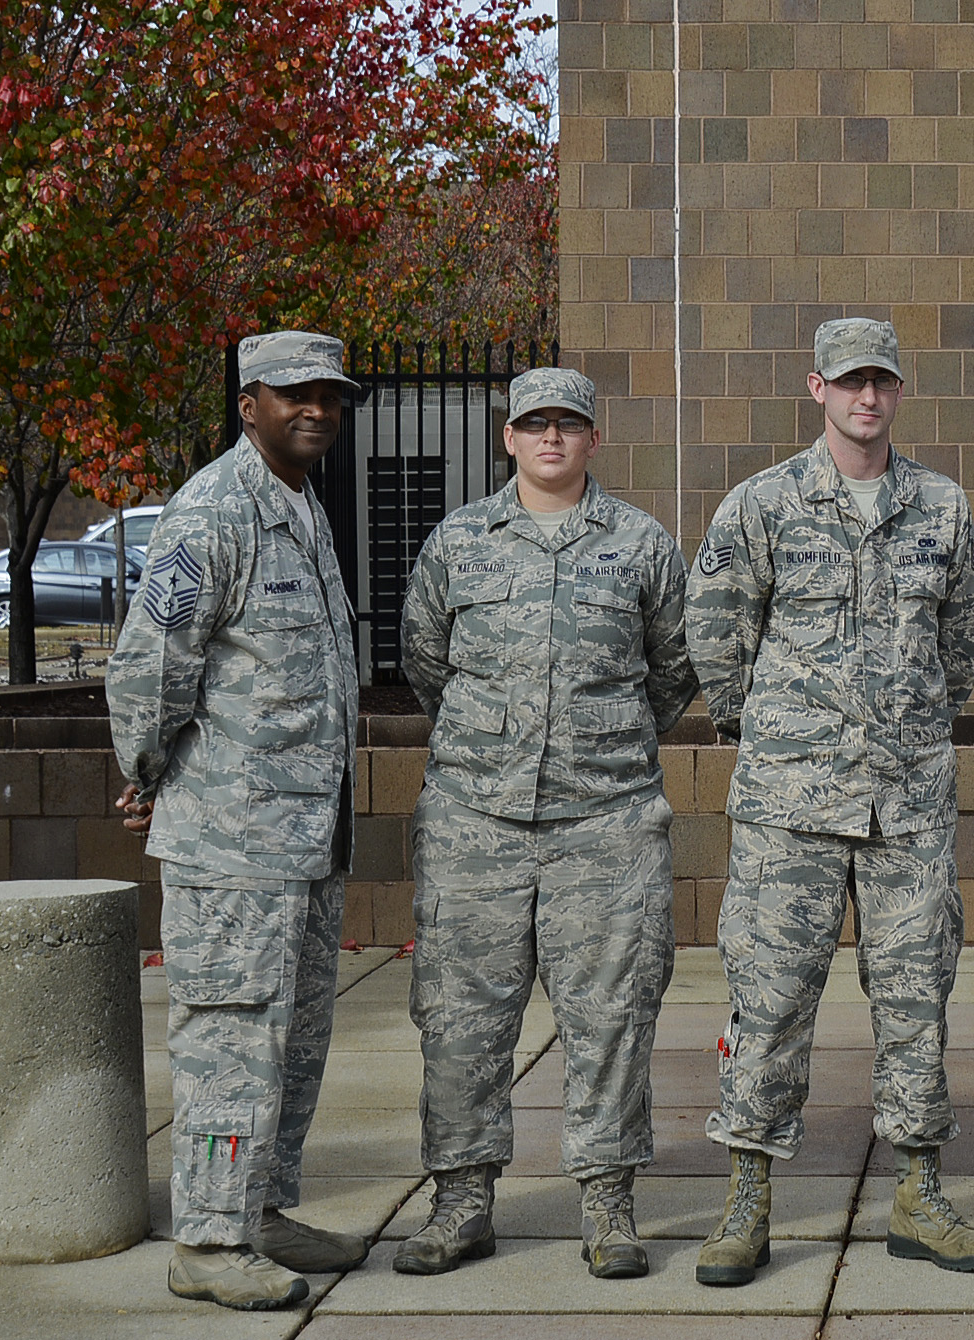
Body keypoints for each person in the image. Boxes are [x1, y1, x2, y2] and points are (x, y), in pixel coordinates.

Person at [683, 317, 974, 1285]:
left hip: (905, 808)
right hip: (790, 809)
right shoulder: (764, 507)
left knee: (915, 1001)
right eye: (850, 381)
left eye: (882, 382)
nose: (867, 398)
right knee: (769, 1000)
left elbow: (963, 644)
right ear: (814, 386)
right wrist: (771, 735)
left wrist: (908, 736)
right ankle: (747, 1199)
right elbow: (715, 634)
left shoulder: (939, 510)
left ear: (898, 392)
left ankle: (917, 1189)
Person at [393, 367, 698, 1280]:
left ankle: (607, 1204)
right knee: (460, 1021)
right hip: (474, 822)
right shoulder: (459, 543)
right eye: (535, 425)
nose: (552, 438)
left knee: (611, 1019)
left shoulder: (641, 545)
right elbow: (426, 663)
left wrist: (595, 748)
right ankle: (461, 1202)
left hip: (605, 824)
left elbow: (672, 671)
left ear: (594, 438)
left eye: (570, 423)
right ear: (509, 438)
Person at [109, 331, 371, 1310]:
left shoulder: (300, 507)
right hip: (234, 844)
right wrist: (145, 773)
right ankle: (210, 1243)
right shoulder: (212, 512)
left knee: (293, 1040)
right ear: (247, 402)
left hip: (304, 841)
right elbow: (149, 667)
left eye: (329, 397)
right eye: (293, 394)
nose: (315, 410)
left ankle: (258, 1210)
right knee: (230, 1038)